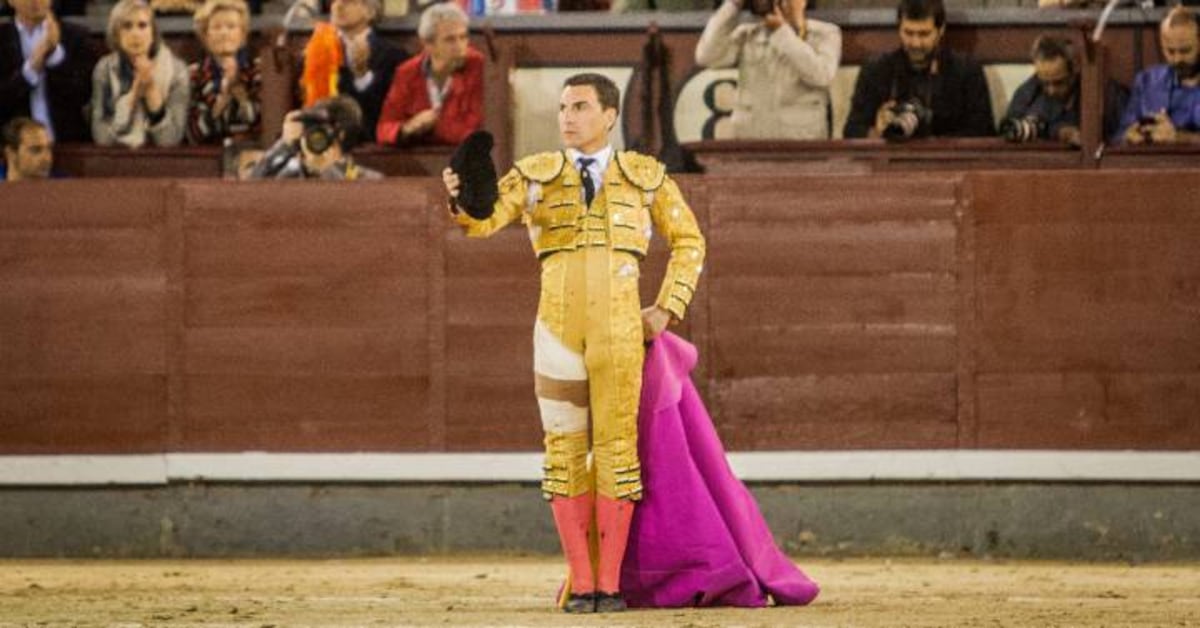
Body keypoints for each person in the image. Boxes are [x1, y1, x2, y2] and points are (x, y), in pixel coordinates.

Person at [441, 73, 704, 613]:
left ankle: (609, 584)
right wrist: (463, 198)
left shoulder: (645, 176)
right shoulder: (535, 175)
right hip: (557, 329)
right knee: (562, 454)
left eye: (580, 106)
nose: (567, 116)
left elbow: (690, 241)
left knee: (616, 454)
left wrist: (667, 307)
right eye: (562, 107)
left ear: (609, 116)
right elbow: (483, 221)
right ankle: (581, 582)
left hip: (620, 330)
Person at [843, 0, 994, 139]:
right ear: (899, 28)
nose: (915, 43)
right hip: (890, 161)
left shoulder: (967, 70)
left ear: (940, 30)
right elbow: (852, 131)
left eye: (924, 34)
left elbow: (983, 132)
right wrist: (878, 130)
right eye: (908, 33)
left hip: (949, 163)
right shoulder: (876, 69)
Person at [694, 0, 841, 140]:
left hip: (801, 142)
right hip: (750, 139)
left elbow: (822, 75)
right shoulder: (748, 34)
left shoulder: (825, 33)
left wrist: (782, 32)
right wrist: (731, 7)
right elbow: (706, 57)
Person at [376, 2, 484, 146]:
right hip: (418, 161)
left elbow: (476, 130)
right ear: (428, 44)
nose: (460, 46)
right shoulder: (407, 72)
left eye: (463, 37)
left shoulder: (479, 67)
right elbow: (384, 128)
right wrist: (407, 128)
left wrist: (433, 126)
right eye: (450, 40)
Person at [300, 0, 407, 144]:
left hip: (369, 144)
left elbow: (386, 109)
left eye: (348, 1)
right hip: (319, 141)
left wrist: (361, 76)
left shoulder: (392, 55)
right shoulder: (315, 51)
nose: (338, 6)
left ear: (370, 11)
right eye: (334, 1)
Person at [91, 0, 190, 148]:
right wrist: (134, 94)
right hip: (117, 160)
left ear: (153, 33)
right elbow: (102, 138)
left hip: (163, 163)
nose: (135, 34)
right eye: (127, 26)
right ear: (116, 34)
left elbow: (169, 140)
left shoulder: (177, 70)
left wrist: (150, 90)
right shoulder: (105, 69)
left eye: (142, 26)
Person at [1002, 34, 1127, 146]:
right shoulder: (1028, 93)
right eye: (1045, 83)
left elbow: (1124, 136)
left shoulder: (1107, 93)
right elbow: (1010, 128)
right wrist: (1058, 132)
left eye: (1059, 83)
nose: (1051, 90)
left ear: (1075, 70)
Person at [0, 0, 96, 143]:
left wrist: (55, 55)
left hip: (67, 143)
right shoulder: (2, 38)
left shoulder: (76, 36)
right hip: (13, 148)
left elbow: (83, 94)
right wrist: (31, 69)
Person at [1117, 6, 1200, 145]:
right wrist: (1129, 137)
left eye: (1185, 51)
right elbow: (1118, 137)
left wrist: (1180, 139)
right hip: (1151, 164)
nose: (1177, 59)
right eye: (1170, 51)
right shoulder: (1147, 82)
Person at [249, 94, 382, 180]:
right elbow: (250, 191)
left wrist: (326, 170)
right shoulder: (287, 174)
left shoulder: (362, 178)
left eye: (322, 130)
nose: (317, 137)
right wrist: (284, 145)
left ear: (341, 135)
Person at [187, 0, 261, 145]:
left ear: (243, 34)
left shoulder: (258, 71)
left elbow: (263, 122)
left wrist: (239, 94)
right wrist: (222, 100)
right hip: (207, 157)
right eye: (217, 27)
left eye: (231, 26)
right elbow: (192, 134)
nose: (224, 33)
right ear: (205, 35)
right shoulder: (194, 75)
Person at [1, 116, 53, 181]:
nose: (47, 159)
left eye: (49, 149)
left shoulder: (62, 187)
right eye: (35, 150)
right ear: (11, 153)